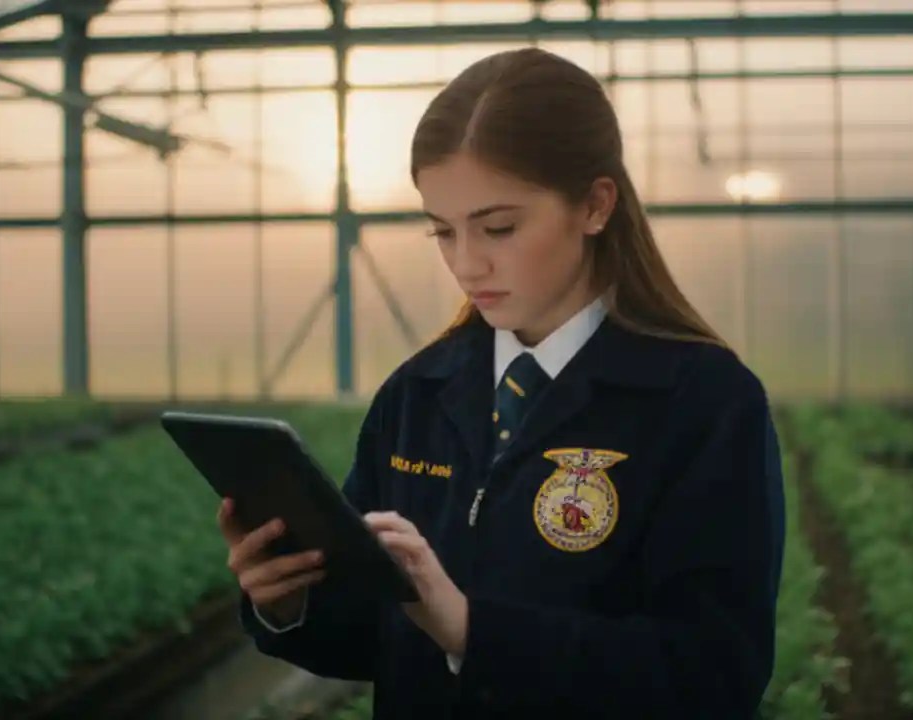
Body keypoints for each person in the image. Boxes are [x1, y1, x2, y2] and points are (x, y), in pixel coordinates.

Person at [218, 46, 786, 720]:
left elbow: (712, 677)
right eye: (443, 232)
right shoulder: (418, 394)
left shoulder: (702, 404)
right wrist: (289, 603)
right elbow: (380, 641)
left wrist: (474, 632)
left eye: (498, 227)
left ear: (595, 205)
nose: (467, 262)